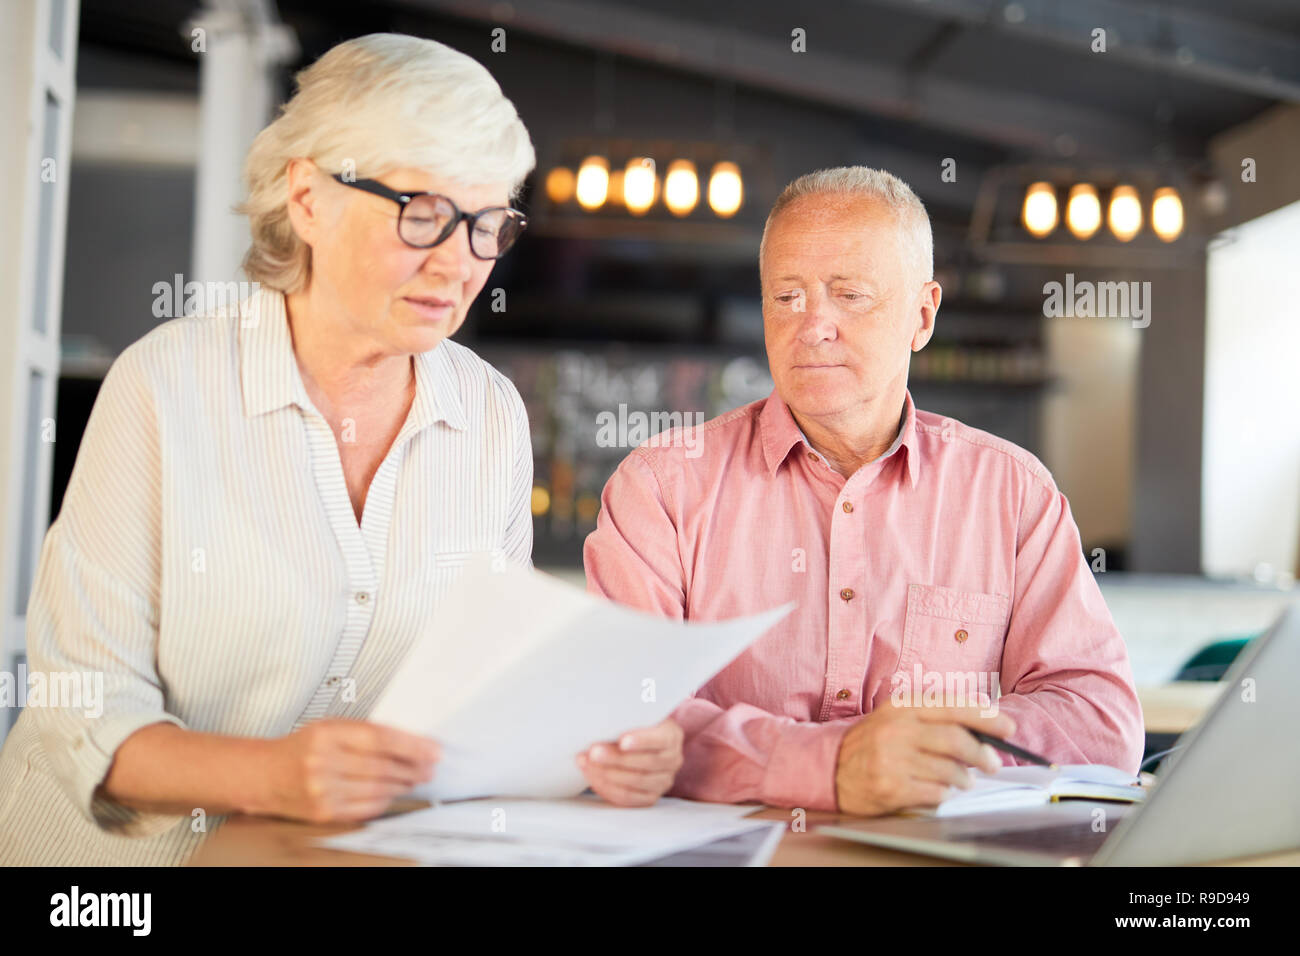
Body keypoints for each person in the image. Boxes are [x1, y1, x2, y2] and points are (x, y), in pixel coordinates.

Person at [0, 33, 680, 866]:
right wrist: (271, 776)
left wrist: (595, 749)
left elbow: (478, 691)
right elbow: (81, 710)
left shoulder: (491, 414)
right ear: (308, 197)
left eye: (486, 224)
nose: (458, 263)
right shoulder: (163, 388)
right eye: (423, 213)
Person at [584, 166, 1144, 816]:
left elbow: (1102, 718)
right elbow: (623, 712)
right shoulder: (661, 488)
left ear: (923, 315)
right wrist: (836, 765)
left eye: (849, 294)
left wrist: (935, 752)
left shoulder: (1013, 493)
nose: (812, 325)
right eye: (786, 297)